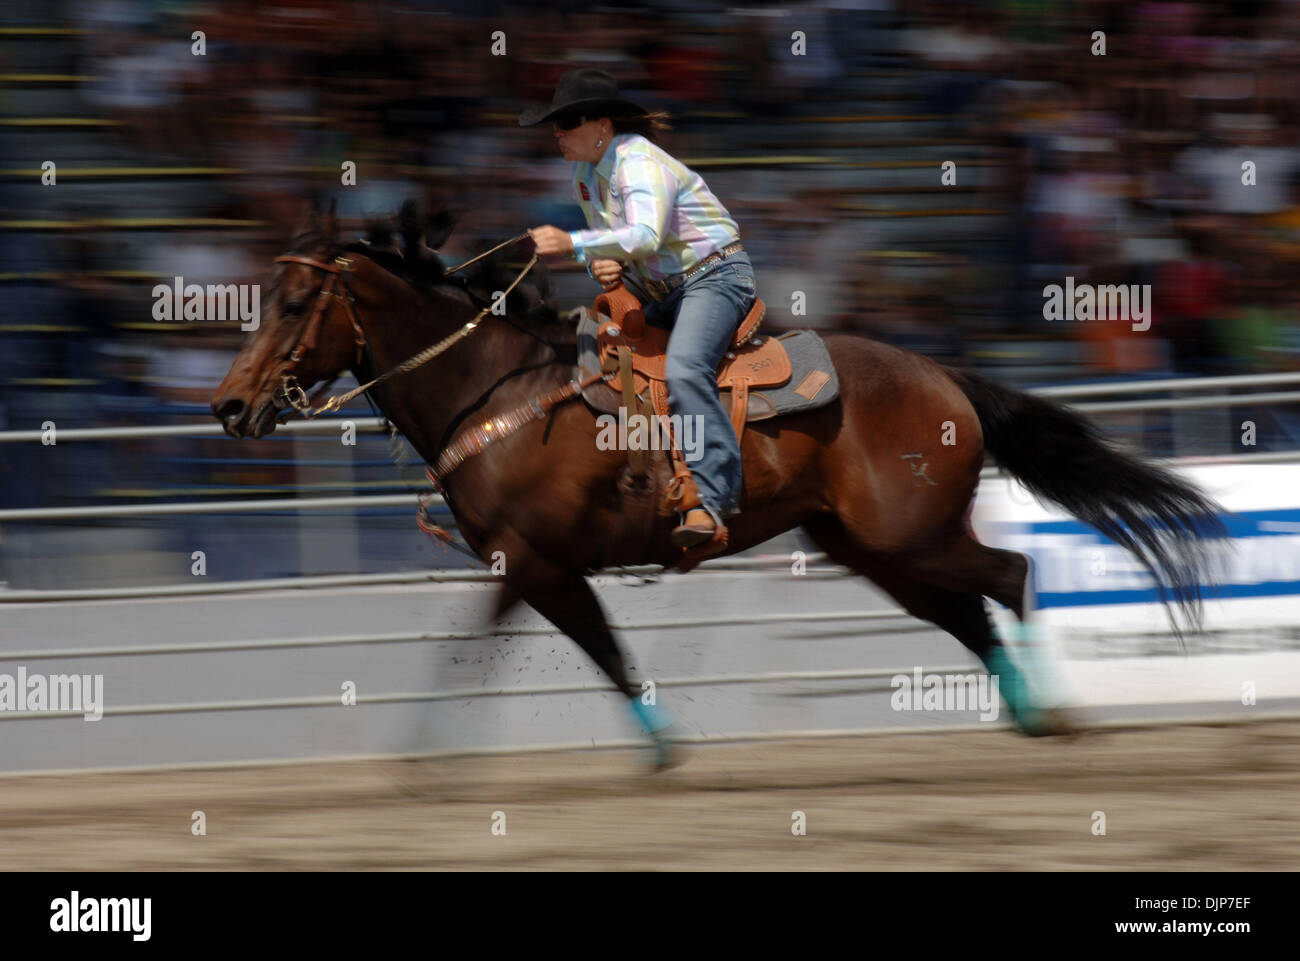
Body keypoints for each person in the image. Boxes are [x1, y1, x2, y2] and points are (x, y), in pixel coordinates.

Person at [520, 68, 756, 548]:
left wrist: (572, 242)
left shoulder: (638, 163)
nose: (557, 134)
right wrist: (598, 268)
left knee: (687, 369)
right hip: (660, 290)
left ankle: (713, 496)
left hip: (714, 277)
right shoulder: (585, 177)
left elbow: (645, 236)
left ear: (601, 127)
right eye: (555, 126)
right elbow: (613, 252)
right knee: (590, 353)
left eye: (567, 124)